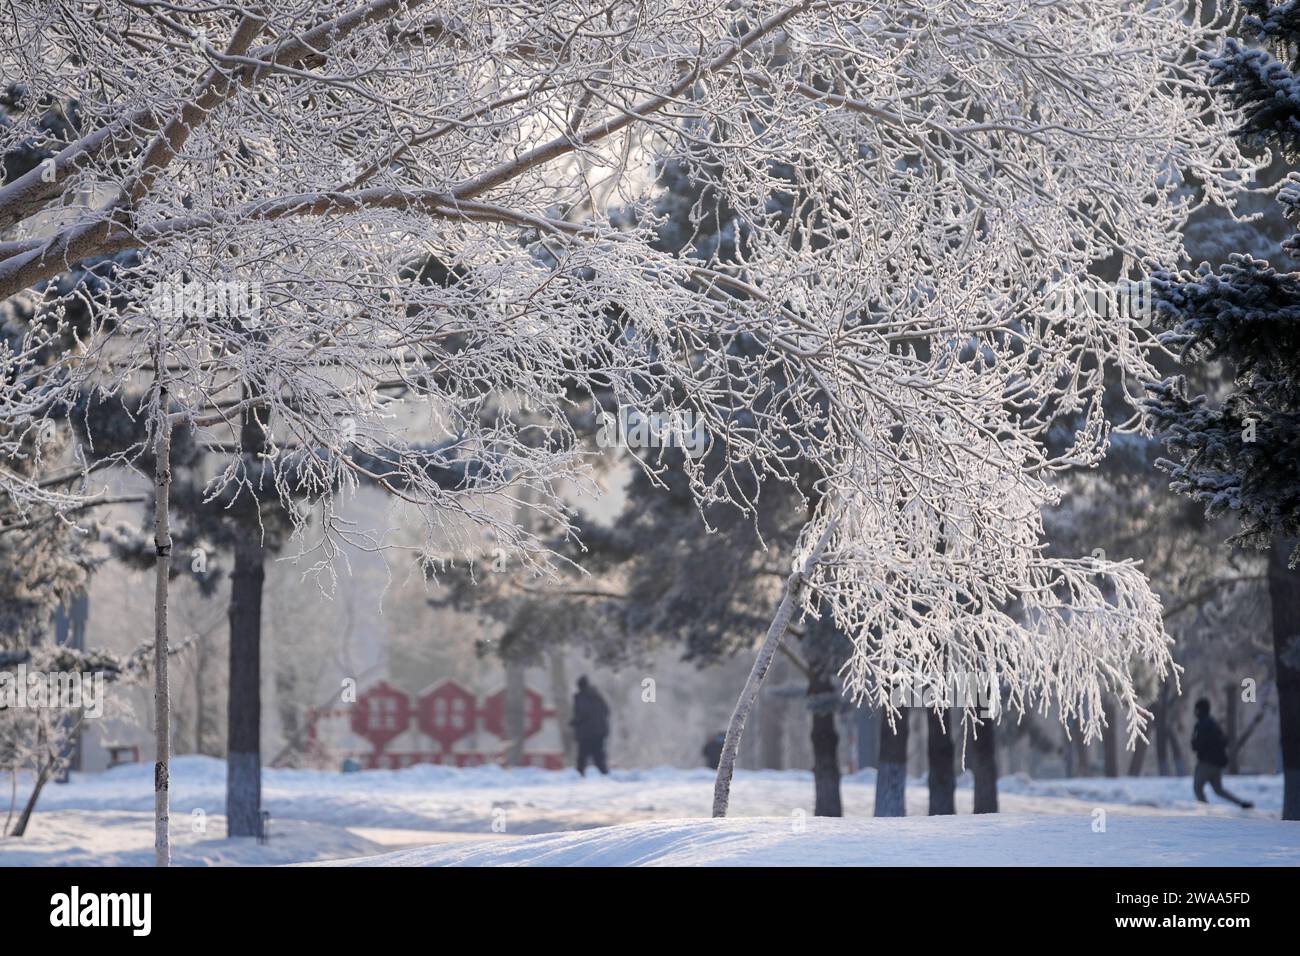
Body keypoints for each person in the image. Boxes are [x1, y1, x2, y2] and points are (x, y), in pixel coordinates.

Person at [1191, 698, 1253, 809]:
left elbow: (1197, 745)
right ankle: (1240, 803)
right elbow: (1224, 741)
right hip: (1217, 765)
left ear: (1199, 710)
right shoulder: (1214, 724)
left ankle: (1205, 811)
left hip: (1205, 764)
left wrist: (1196, 744)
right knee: (1219, 790)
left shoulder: (1200, 725)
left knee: (1198, 788)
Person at [571, 675, 610, 775]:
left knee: (582, 757)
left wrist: (574, 722)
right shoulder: (597, 696)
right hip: (600, 732)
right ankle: (604, 774)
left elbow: (582, 714)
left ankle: (579, 776)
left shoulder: (580, 697)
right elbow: (606, 711)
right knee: (599, 756)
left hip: (586, 733)